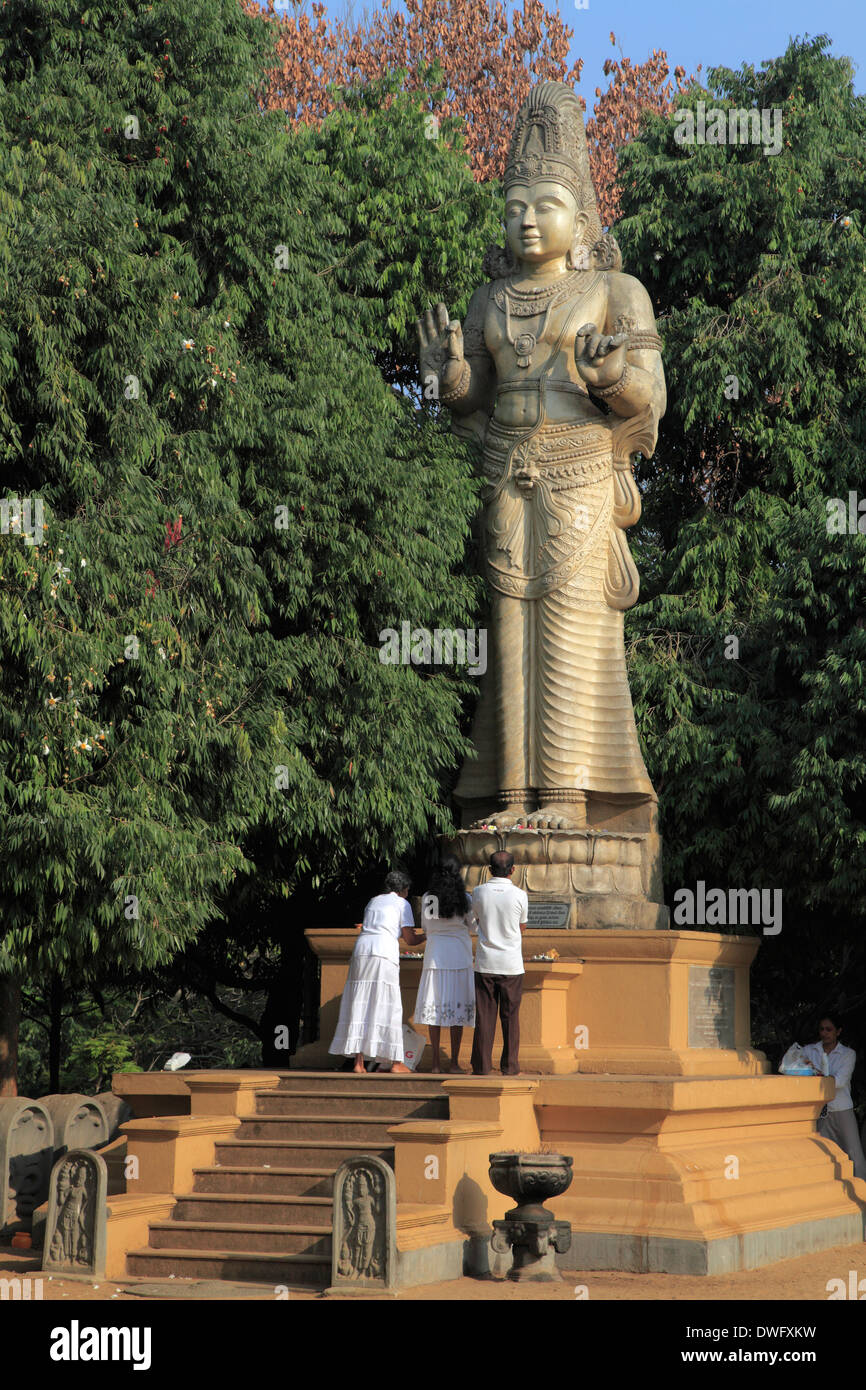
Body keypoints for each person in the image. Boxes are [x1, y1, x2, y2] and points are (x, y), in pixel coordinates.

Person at [329, 870, 424, 1074]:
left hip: (362, 950)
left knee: (359, 1002)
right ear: (403, 890)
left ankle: (358, 1063)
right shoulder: (402, 904)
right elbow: (410, 939)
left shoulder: (373, 901)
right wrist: (428, 936)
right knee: (388, 1003)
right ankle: (396, 1062)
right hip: (383, 952)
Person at [413, 857, 476, 1073]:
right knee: (456, 1010)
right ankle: (455, 1062)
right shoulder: (465, 898)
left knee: (435, 1009)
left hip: (435, 956)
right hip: (459, 956)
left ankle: (436, 1065)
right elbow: (474, 927)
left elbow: (426, 927)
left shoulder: (429, 898)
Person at [469, 850, 528, 1076]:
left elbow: (476, 919)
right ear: (513, 870)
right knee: (510, 1017)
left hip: (485, 962)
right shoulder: (519, 895)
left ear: (489, 870)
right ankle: (510, 1066)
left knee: (485, 1016)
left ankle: (482, 1067)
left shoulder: (478, 892)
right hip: (511, 963)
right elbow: (521, 927)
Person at [802, 1014, 866, 1181]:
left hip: (841, 1108)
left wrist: (816, 1076)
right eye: (822, 1029)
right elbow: (793, 1067)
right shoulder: (809, 1050)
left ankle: (861, 1190)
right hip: (819, 1110)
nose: (825, 1033)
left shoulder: (847, 1054)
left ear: (838, 1031)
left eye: (829, 1029)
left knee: (853, 1152)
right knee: (823, 1152)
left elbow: (839, 1081)